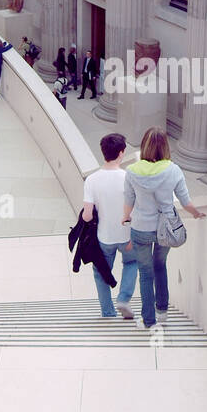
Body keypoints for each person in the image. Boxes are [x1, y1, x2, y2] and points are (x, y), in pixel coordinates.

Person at [122, 128, 204, 330]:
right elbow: (185, 201)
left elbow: (129, 200)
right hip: (165, 229)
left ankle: (148, 321)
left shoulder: (132, 171)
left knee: (145, 272)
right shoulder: (174, 170)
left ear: (144, 146)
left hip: (140, 228)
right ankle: (163, 313)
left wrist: (125, 217)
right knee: (160, 266)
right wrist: (196, 213)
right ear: (166, 147)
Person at [82, 133, 138, 320]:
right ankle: (123, 298)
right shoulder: (129, 177)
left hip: (104, 236)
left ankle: (108, 312)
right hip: (127, 235)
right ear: (121, 153)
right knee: (131, 263)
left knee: (101, 272)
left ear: (103, 152)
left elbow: (87, 215)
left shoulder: (91, 180)